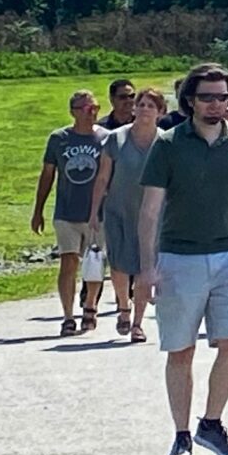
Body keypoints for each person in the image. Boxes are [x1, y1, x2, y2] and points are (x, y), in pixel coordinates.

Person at [138, 64, 228, 455]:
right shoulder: (169, 144)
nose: (215, 104)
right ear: (190, 100)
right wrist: (147, 267)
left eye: (222, 97)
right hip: (179, 257)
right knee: (181, 350)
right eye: (207, 97)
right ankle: (181, 437)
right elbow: (149, 210)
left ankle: (211, 422)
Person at [32, 89, 109, 336]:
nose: (92, 112)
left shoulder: (107, 139)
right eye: (86, 109)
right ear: (74, 112)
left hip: (97, 213)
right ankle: (67, 315)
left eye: (95, 107)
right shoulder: (59, 139)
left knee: (95, 262)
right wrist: (38, 210)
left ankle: (89, 307)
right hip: (67, 212)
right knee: (68, 262)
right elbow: (47, 175)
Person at [93, 87, 167, 342]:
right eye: (141, 104)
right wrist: (94, 212)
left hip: (153, 213)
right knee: (120, 264)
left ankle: (137, 322)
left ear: (160, 112)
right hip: (118, 210)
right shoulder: (116, 139)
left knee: (146, 265)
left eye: (151, 105)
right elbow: (103, 177)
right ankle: (123, 307)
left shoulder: (166, 142)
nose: (144, 109)